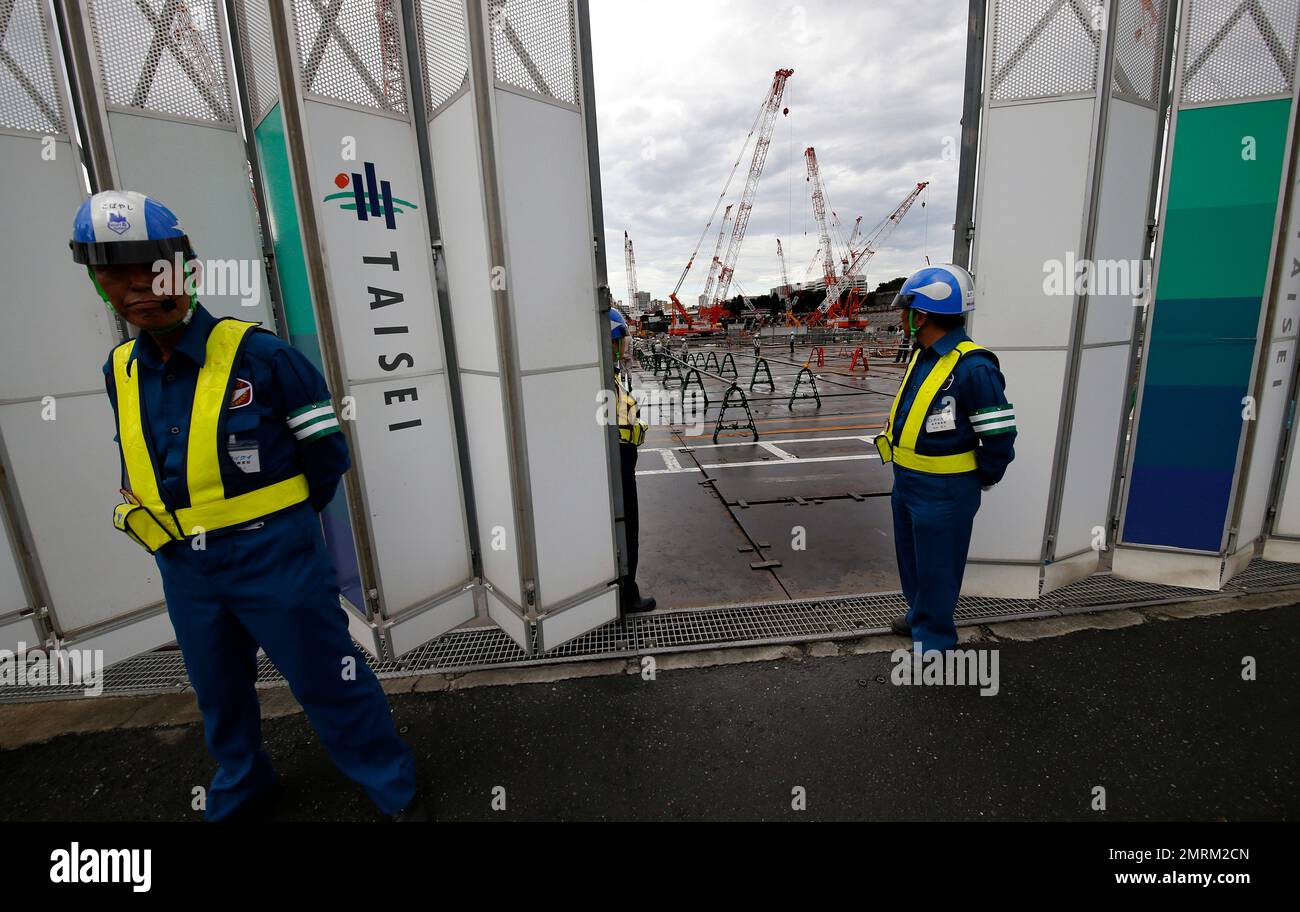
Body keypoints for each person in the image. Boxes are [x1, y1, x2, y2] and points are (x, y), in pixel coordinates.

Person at [72, 190, 425, 822]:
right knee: (219, 690)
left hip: (276, 558)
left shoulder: (264, 357)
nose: (136, 287)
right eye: (113, 272)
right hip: (184, 567)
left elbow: (326, 457)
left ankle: (389, 782)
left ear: (186, 267)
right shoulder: (119, 367)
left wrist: (279, 526)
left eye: (150, 266)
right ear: (98, 282)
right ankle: (243, 780)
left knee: (328, 677)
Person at [873, 264, 1016, 652]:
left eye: (905, 311)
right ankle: (920, 615)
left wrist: (981, 476)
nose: (901, 318)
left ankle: (934, 643)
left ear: (920, 316)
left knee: (938, 569)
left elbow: (1000, 437)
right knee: (913, 563)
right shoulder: (923, 356)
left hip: (946, 490)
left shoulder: (974, 367)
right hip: (907, 484)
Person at [609, 308, 654, 613]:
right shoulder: (602, 379)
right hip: (619, 465)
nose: (625, 346)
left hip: (621, 461)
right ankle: (627, 594)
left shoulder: (607, 375)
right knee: (627, 528)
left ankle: (623, 590)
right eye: (621, 339)